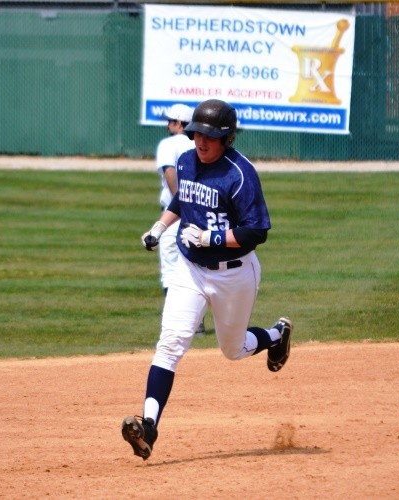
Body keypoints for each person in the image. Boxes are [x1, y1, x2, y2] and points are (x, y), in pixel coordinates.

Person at [124, 99, 293, 461]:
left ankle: (277, 334)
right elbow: (182, 201)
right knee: (170, 343)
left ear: (227, 139)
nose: (201, 142)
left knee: (233, 350)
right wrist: (159, 227)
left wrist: (212, 238)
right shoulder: (186, 160)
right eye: (197, 133)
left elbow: (256, 231)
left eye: (210, 137)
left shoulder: (240, 175)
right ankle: (149, 426)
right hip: (190, 269)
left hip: (234, 275)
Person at [146, 103, 207, 334]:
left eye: (170, 121)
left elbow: (169, 171)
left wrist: (180, 204)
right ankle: (197, 321)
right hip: (201, 212)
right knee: (196, 265)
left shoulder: (168, 144)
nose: (167, 125)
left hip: (177, 213)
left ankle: (176, 322)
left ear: (179, 124)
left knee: (171, 268)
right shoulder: (198, 144)